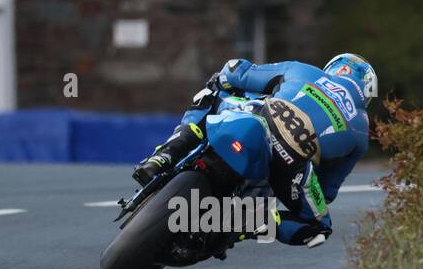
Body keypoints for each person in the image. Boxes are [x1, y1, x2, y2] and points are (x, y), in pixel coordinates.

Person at [132, 53, 376, 247]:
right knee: (318, 227)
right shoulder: (361, 130)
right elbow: (326, 190)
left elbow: (238, 70)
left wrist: (221, 80)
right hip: (292, 162)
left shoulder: (305, 71)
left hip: (257, 117)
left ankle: (166, 154)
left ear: (337, 68)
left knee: (212, 93)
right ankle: (250, 222)